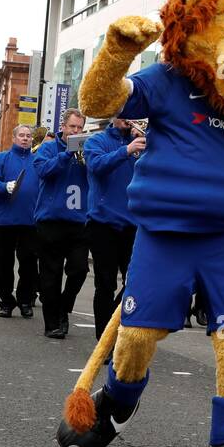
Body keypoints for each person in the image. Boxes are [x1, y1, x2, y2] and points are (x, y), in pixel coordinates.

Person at [83, 118, 142, 338]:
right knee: (105, 284)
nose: (130, 120)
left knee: (137, 283)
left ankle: (119, 329)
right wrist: (126, 150)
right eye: (126, 114)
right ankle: (104, 339)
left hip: (133, 224)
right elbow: (97, 166)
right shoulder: (96, 140)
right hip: (102, 223)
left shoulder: (143, 143)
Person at [35, 108, 91, 339]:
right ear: (63, 127)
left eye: (80, 128)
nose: (76, 131)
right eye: (72, 127)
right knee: (51, 274)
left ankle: (64, 306)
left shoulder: (88, 149)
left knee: (79, 269)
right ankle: (52, 324)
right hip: (51, 220)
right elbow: (42, 171)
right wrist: (67, 153)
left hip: (79, 221)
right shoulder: (48, 148)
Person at [0, 124, 42, 319]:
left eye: (28, 136)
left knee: (28, 265)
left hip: (30, 221)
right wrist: (4, 186)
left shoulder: (37, 161)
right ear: (14, 138)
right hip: (5, 221)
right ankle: (7, 301)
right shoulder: (1, 159)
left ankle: (25, 300)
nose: (25, 139)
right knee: (3, 264)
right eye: (22, 136)